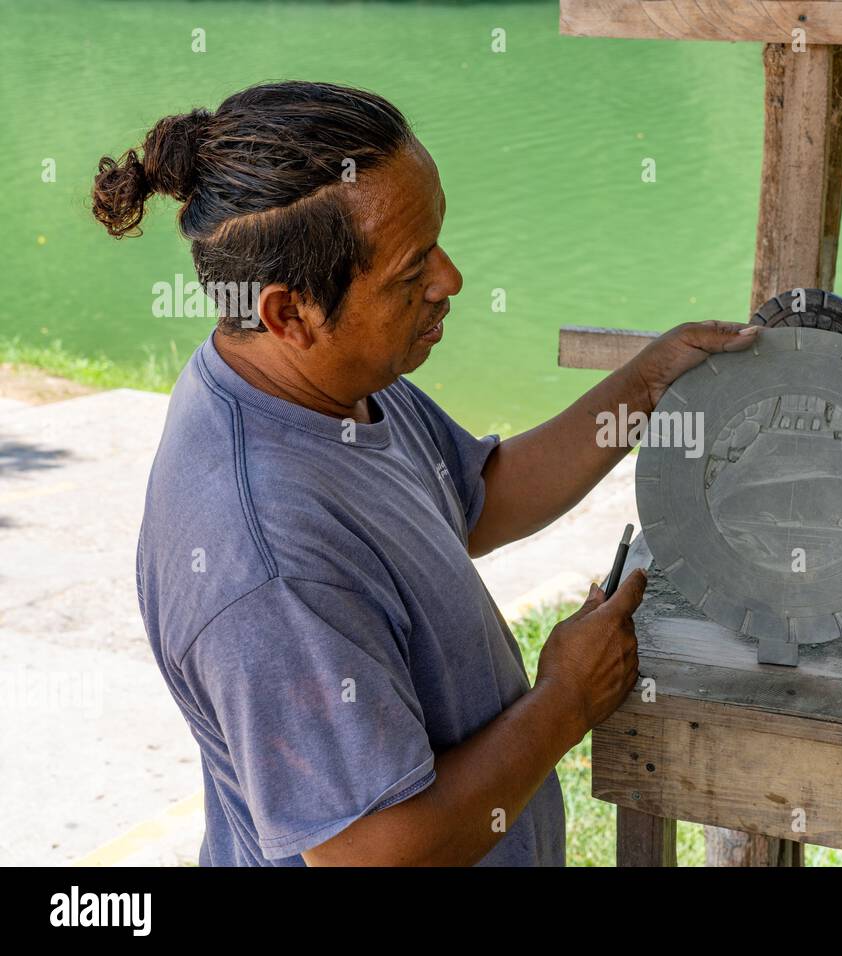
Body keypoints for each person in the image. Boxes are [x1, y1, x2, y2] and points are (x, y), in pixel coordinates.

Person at [91, 81, 758, 866]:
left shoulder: (335, 383)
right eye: (411, 275)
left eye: (437, 242)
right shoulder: (265, 557)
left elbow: (477, 498)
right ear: (287, 313)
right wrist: (566, 701)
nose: (450, 279)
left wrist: (650, 382)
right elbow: (378, 853)